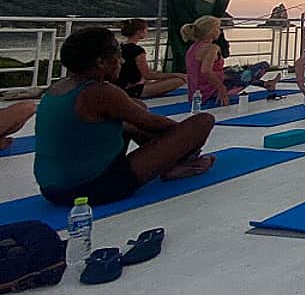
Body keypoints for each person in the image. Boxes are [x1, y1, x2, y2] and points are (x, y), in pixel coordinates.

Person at [33, 27, 216, 206]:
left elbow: (137, 115)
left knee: (132, 118)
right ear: (101, 63)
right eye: (117, 56)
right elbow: (152, 123)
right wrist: (186, 141)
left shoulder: (57, 88)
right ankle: (177, 165)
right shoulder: (99, 91)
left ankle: (176, 164)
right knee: (203, 121)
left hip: (52, 190)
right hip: (89, 189)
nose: (121, 61)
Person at [182, 16, 273, 106]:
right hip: (210, 93)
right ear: (211, 31)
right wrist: (222, 90)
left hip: (196, 93)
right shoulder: (212, 48)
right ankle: (267, 84)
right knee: (263, 65)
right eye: (217, 28)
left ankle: (266, 84)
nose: (219, 31)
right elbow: (205, 71)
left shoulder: (192, 48)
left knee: (233, 71)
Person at [116, 19, 187, 99]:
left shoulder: (120, 47)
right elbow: (147, 75)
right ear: (139, 32)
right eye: (146, 30)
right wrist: (176, 74)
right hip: (133, 89)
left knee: (168, 79)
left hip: (122, 86)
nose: (147, 32)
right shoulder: (137, 50)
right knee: (179, 80)